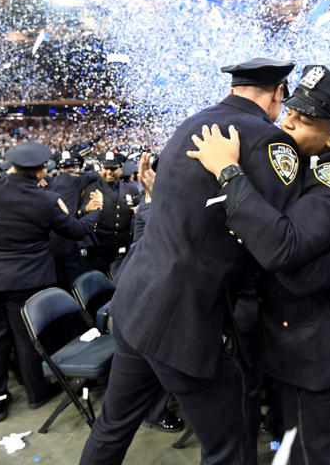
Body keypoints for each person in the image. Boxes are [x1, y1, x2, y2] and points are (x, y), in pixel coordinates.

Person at [79, 58, 301, 464]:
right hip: (183, 319)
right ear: (277, 94)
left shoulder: (193, 122)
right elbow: (276, 238)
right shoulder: (269, 139)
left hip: (134, 301)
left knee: (112, 427)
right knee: (229, 446)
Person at [186, 64, 330, 465]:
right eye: (290, 112)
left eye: (305, 121)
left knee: (311, 453)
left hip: (315, 350)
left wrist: (229, 172)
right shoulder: (299, 166)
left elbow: (295, 268)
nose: (288, 124)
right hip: (317, 338)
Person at [0, 142, 103, 422]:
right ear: (40, 171)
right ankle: (36, 392)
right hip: (24, 281)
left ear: (11, 165)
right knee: (25, 337)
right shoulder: (45, 200)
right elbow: (76, 231)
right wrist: (94, 211)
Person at [47, 151, 100, 287]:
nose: (71, 171)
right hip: (69, 242)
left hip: (49, 245)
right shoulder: (75, 179)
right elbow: (96, 175)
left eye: (74, 167)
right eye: (67, 168)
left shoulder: (48, 181)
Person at [77, 151, 135, 273]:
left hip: (124, 246)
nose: (109, 172)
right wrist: (85, 209)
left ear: (121, 169)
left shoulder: (131, 188)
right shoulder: (89, 188)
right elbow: (79, 215)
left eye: (113, 168)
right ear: (100, 168)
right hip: (99, 249)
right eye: (106, 168)